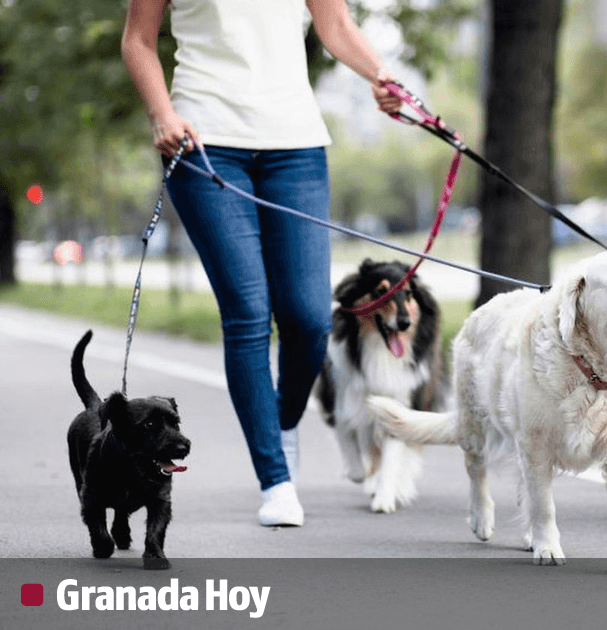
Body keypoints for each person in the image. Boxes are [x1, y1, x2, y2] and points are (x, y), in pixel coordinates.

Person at [122, 0, 402, 527]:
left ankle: (278, 425)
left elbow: (336, 25)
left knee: (308, 316)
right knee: (248, 313)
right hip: (202, 141)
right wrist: (162, 113)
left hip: (295, 145)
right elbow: (138, 39)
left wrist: (382, 77)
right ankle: (276, 480)